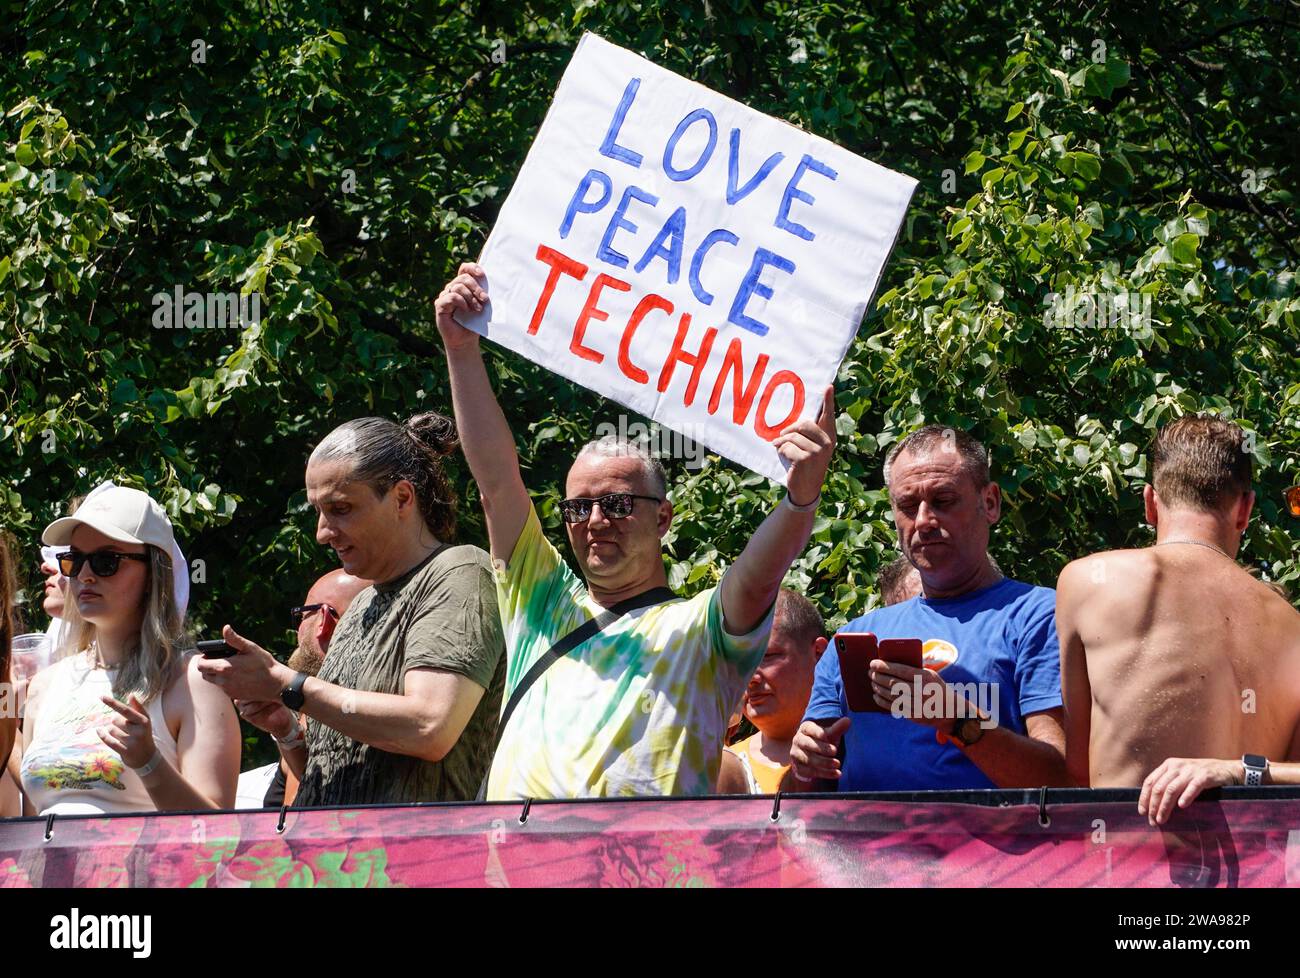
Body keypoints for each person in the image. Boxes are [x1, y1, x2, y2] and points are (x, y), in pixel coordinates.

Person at [436, 262, 837, 799]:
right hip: (514, 869)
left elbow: (759, 576)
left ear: (664, 517)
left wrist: (800, 497)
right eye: (578, 508)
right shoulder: (541, 601)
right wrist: (461, 350)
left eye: (618, 504)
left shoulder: (702, 628)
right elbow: (498, 485)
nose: (595, 521)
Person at [201, 414, 507, 806]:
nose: (322, 533)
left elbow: (429, 727)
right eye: (318, 511)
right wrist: (288, 731)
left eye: (341, 508)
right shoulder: (363, 603)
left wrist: (286, 684)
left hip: (416, 860)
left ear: (401, 498)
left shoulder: (460, 571)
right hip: (337, 860)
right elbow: (338, 776)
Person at [790, 425, 1069, 790]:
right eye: (907, 506)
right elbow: (804, 793)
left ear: (990, 503)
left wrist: (953, 718)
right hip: (862, 846)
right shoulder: (854, 636)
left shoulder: (1039, 615)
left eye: (943, 500)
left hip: (992, 845)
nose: (923, 520)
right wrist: (805, 763)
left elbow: (1062, 780)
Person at [1055, 415, 1300, 822]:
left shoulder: (1087, 582)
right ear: (1245, 509)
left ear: (1150, 503)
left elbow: (1078, 768)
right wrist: (1241, 770)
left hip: (1132, 866)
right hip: (1257, 875)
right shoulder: (1292, 626)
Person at [20, 485, 240, 814]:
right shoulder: (44, 685)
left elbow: (217, 837)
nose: (85, 574)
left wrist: (150, 763)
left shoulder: (195, 681)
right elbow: (30, 827)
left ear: (154, 573)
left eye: (106, 561)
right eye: (74, 560)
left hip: (143, 868)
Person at [257, 568, 372, 807]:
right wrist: (286, 733)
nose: (297, 630)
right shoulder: (376, 706)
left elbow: (296, 822)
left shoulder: (334, 712)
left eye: (301, 616)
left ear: (324, 620)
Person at [717, 590, 827, 794]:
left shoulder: (856, 756)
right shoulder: (721, 769)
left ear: (818, 654)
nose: (750, 678)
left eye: (766, 656)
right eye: (740, 665)